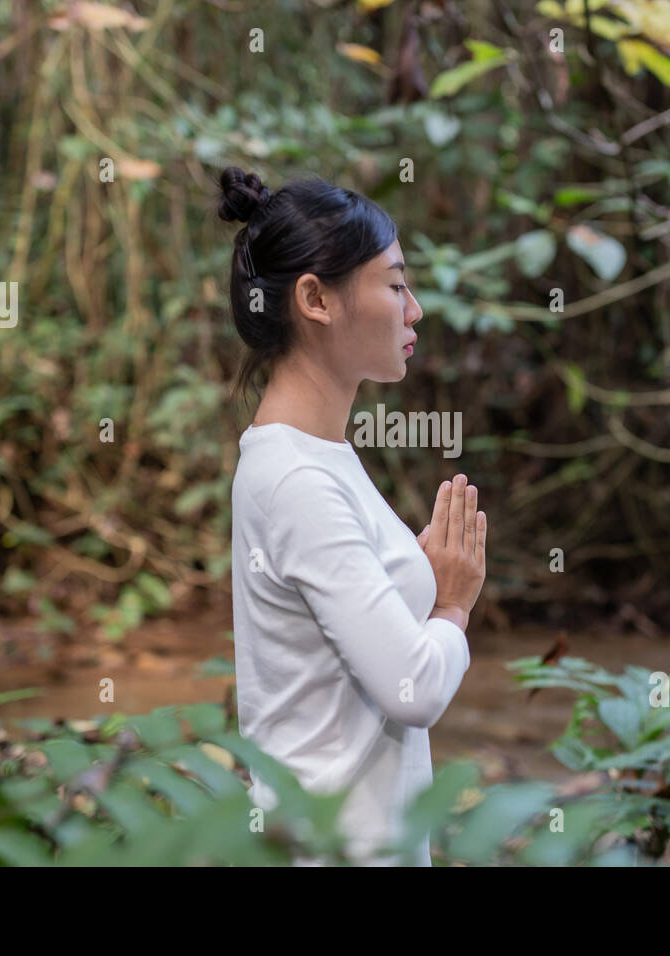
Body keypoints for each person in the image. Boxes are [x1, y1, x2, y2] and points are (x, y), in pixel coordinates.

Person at [218, 166, 487, 865]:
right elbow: (414, 688)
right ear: (316, 299)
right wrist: (453, 603)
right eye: (396, 284)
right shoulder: (298, 478)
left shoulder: (316, 457)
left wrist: (418, 581)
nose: (415, 308)